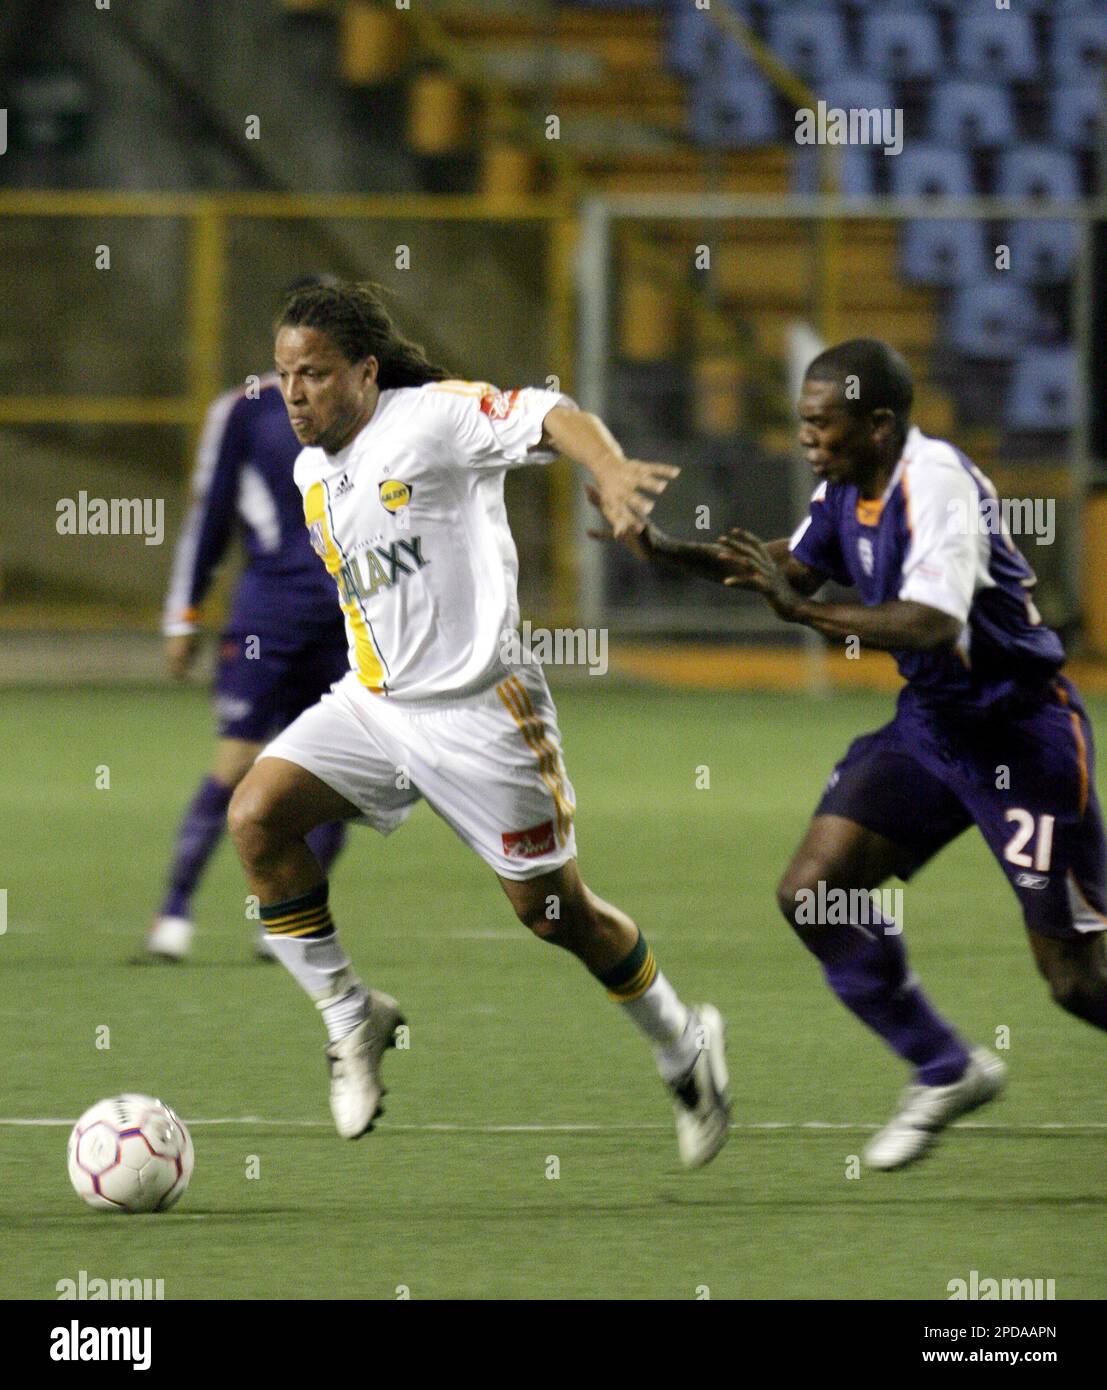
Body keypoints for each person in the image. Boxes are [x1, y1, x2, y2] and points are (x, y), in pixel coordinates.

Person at [226, 280, 731, 1166]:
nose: (294, 393)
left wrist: (607, 470)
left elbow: (550, 413)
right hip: (374, 707)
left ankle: (682, 1041)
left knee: (553, 915)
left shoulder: (432, 419)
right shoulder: (311, 471)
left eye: (313, 373)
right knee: (256, 815)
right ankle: (353, 1019)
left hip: (482, 712)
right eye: (283, 376)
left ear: (366, 371)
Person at [599, 337, 1106, 1169]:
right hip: (934, 728)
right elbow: (787, 571)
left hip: (1022, 735)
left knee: (1075, 981)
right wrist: (661, 551)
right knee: (813, 891)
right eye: (801, 421)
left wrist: (807, 620)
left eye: (820, 423)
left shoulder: (933, 485)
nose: (805, 437)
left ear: (877, 423)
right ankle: (945, 1068)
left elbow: (931, 623)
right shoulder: (846, 484)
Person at [146, 278, 349, 962]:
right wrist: (186, 611)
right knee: (237, 764)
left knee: (335, 782)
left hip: (354, 617)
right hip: (270, 615)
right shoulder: (246, 411)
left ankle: (283, 923)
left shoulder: (373, 408)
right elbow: (209, 517)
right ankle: (174, 917)